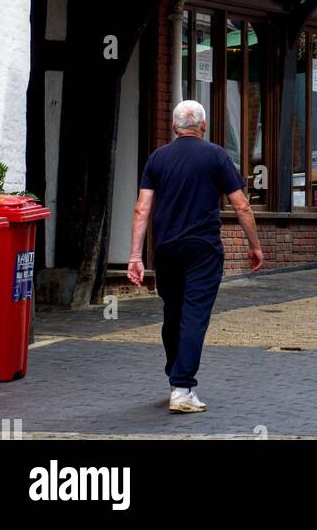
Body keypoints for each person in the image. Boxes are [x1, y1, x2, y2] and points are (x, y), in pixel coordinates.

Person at [127, 100, 263, 413]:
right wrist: (254, 245)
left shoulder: (157, 158)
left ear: (175, 127)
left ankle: (175, 376)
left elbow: (142, 208)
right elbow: (241, 205)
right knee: (194, 314)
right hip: (203, 248)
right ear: (203, 126)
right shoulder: (216, 155)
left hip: (166, 249)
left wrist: (136, 256)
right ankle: (183, 388)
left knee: (172, 312)